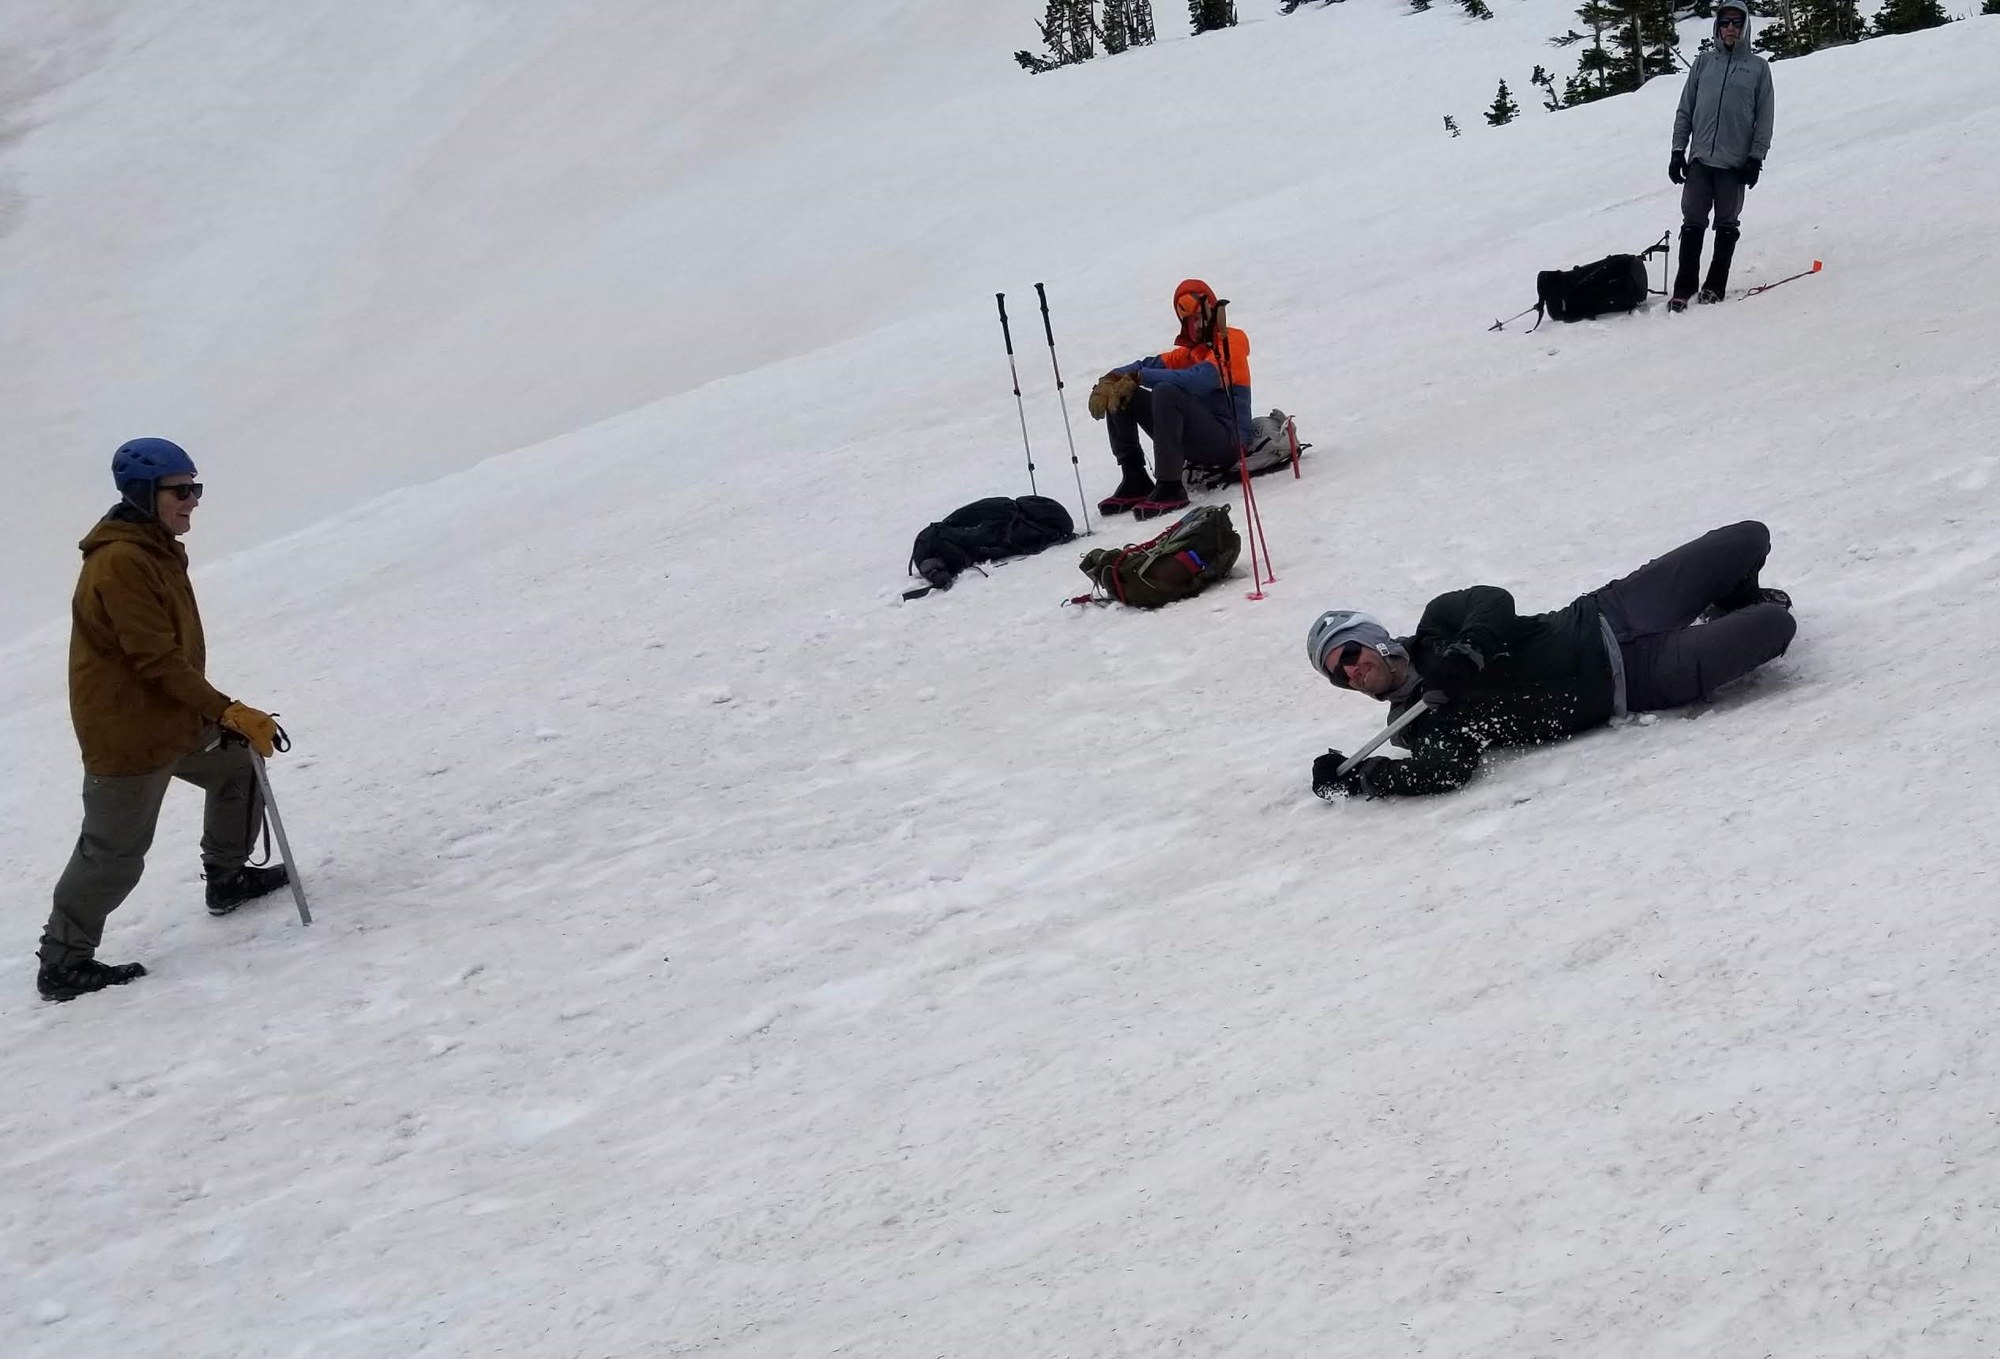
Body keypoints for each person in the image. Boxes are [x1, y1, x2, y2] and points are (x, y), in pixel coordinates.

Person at [36, 438, 290, 1002]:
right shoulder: (120, 561)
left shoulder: (156, 548)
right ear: (143, 493)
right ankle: (63, 962)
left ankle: (227, 878)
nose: (193, 500)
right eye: (181, 490)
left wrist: (218, 717)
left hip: (173, 720)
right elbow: (155, 659)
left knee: (238, 766)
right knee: (113, 852)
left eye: (195, 488)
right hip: (128, 735)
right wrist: (226, 709)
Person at [1307, 520, 1796, 798]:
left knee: (1747, 538)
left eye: (1350, 653)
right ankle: (1730, 622)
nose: (1351, 671)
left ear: (1375, 640)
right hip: (1637, 681)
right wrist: (1365, 777)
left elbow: (1493, 601)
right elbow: (1446, 769)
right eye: (1339, 676)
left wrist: (1466, 652)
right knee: (1775, 625)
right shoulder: (1416, 722)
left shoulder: (1438, 624)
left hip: (1610, 612)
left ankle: (1726, 601)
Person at [1091, 279, 1252, 522]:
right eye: (1190, 321)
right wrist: (1112, 378)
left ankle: (1170, 485)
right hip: (1201, 441)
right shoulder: (1190, 353)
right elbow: (1146, 364)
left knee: (1166, 391)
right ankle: (1135, 476)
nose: (1196, 325)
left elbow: (1202, 379)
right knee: (1122, 391)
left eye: (1200, 317)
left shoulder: (1231, 342)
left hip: (1229, 443)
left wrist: (1139, 377)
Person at [1668, 0, 1774, 311]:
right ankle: (1683, 289)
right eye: (1725, 22)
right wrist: (1677, 151)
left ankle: (1714, 287)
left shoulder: (1758, 68)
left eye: (1736, 23)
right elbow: (1685, 110)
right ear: (1718, 27)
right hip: (1700, 159)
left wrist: (1756, 158)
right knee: (1692, 222)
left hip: (1734, 163)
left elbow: (1764, 118)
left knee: (1727, 224)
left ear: (1745, 27)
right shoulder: (1703, 63)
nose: (1730, 28)